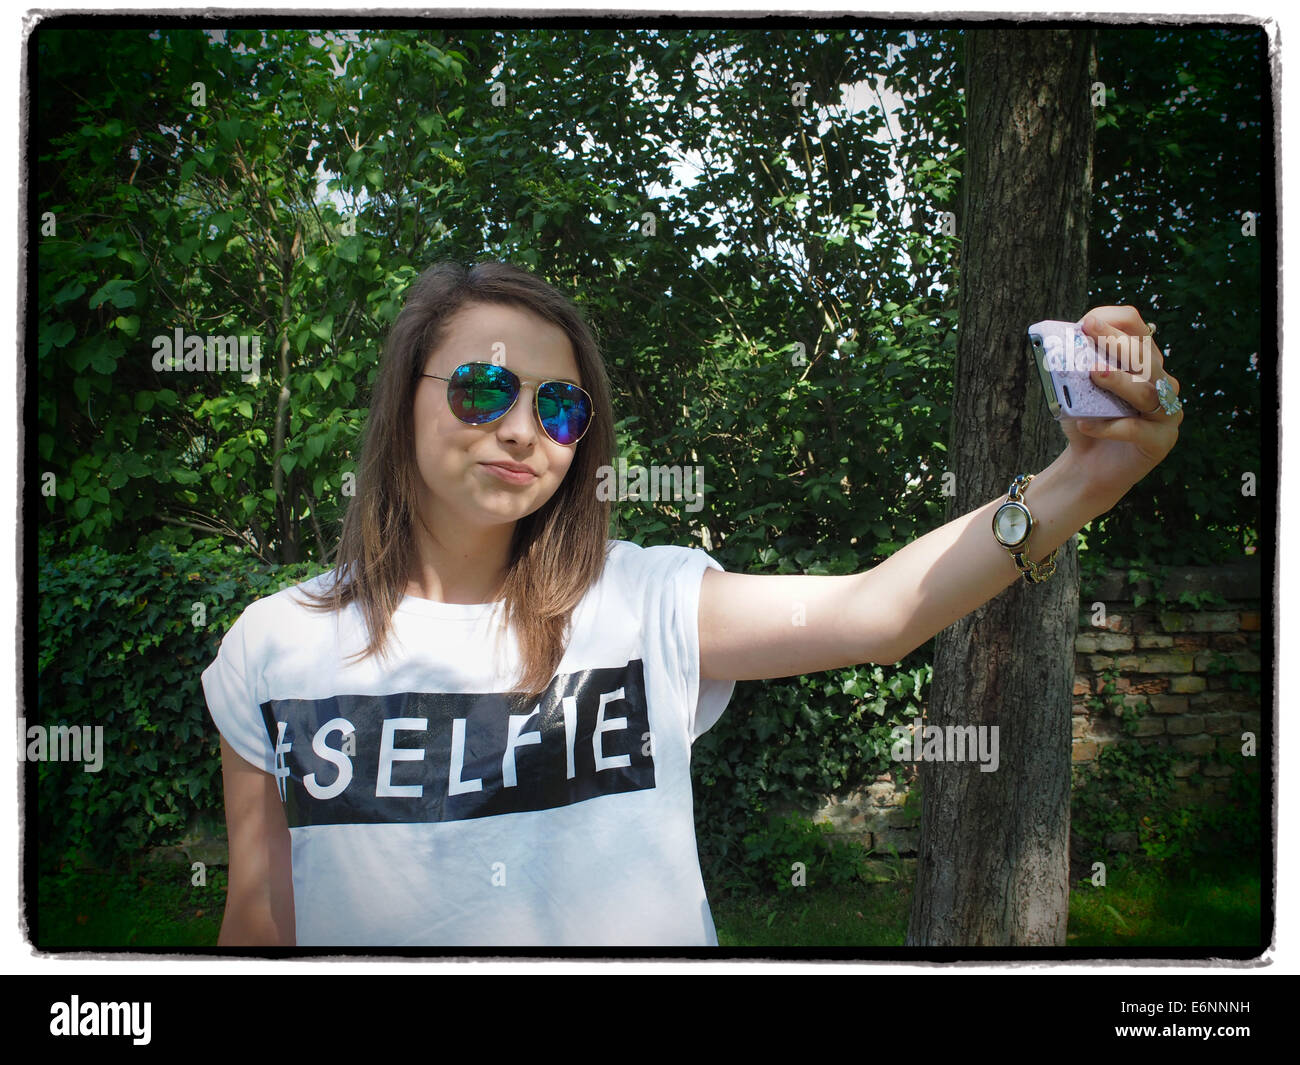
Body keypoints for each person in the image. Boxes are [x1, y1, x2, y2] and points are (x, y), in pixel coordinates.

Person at [202, 260, 1182, 947]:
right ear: (400, 400)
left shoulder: (642, 600)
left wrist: (1083, 481)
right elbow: (261, 918)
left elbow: (882, 612)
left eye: (558, 408)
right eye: (482, 387)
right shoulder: (274, 647)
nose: (520, 428)